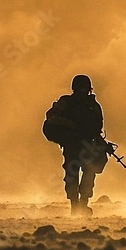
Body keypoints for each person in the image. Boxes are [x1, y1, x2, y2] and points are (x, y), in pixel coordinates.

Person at [43, 75, 109, 217]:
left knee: (88, 172)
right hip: (72, 143)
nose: (83, 91)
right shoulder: (66, 102)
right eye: (81, 88)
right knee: (72, 174)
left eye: (84, 88)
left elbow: (97, 129)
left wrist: (103, 144)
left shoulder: (93, 106)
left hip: (87, 145)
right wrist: (70, 125)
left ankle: (83, 204)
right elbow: (51, 117)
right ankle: (75, 205)